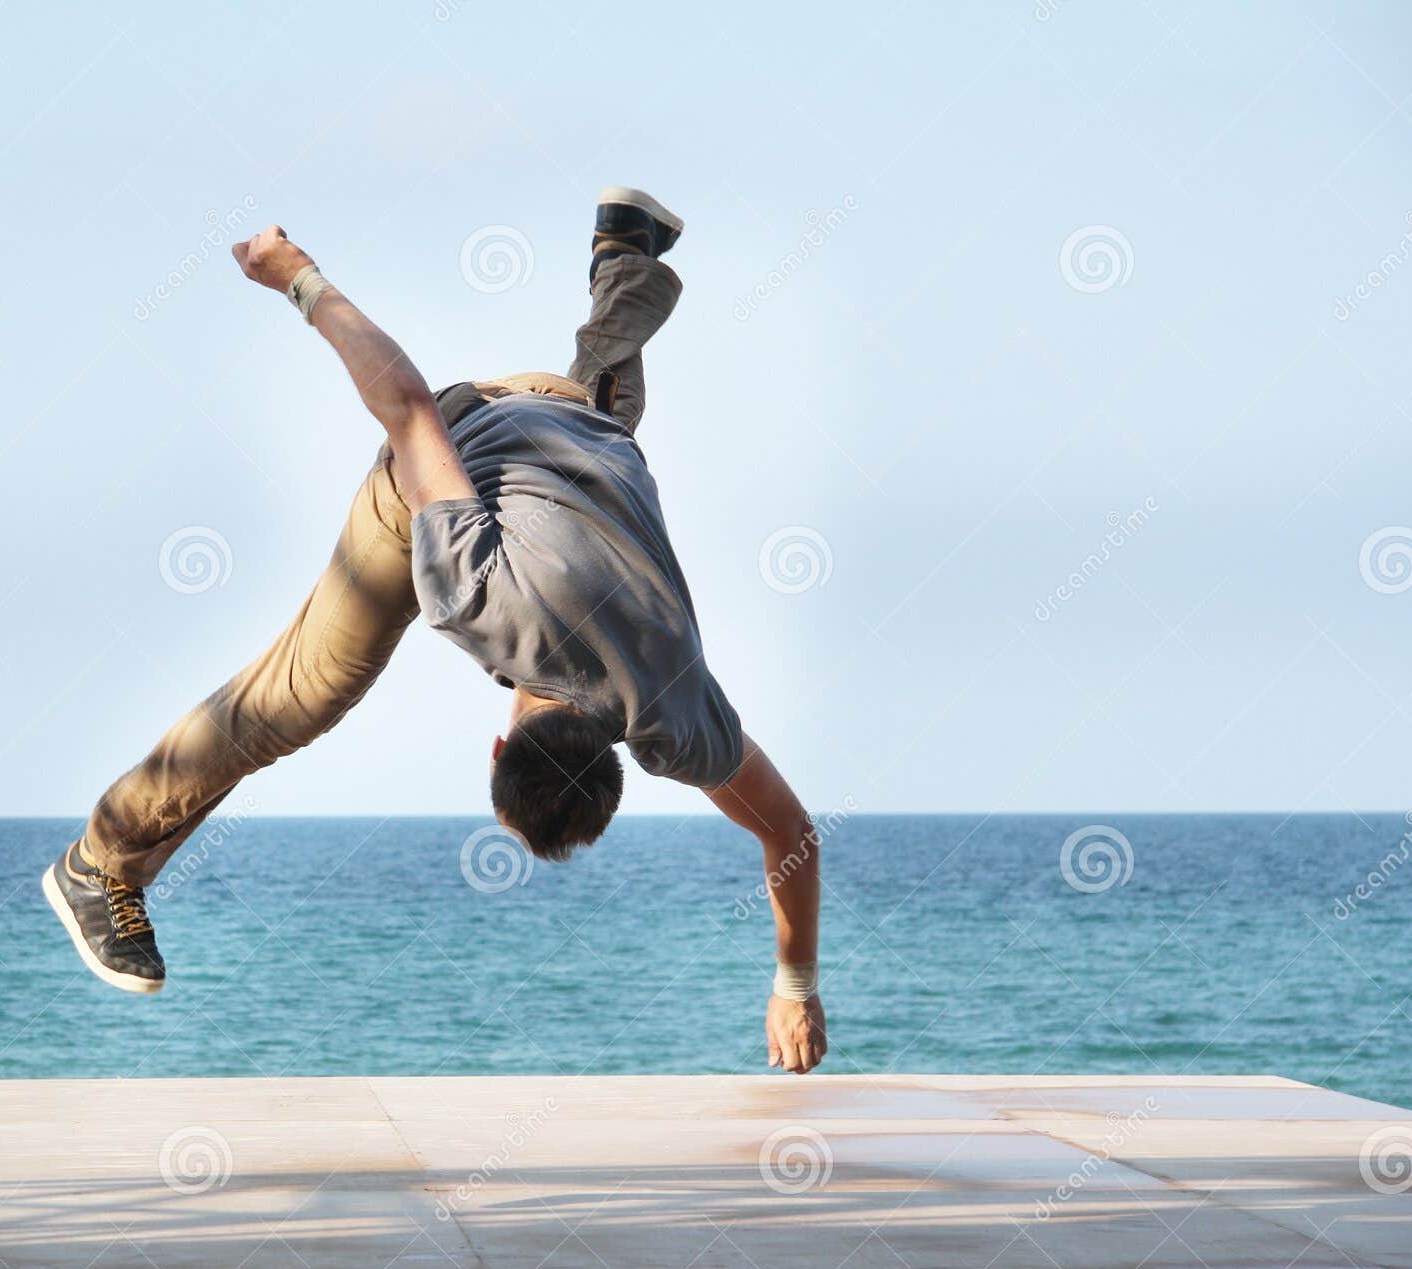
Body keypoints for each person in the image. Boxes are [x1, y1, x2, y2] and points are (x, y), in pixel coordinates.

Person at [42, 189, 827, 1073]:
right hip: (461, 436)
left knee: (610, 413)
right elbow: (409, 409)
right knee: (299, 698)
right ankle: (96, 860)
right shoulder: (478, 599)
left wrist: (798, 982)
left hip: (571, 416)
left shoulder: (680, 712)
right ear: (496, 752)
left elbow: (791, 831)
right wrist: (297, 279)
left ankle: (624, 254)